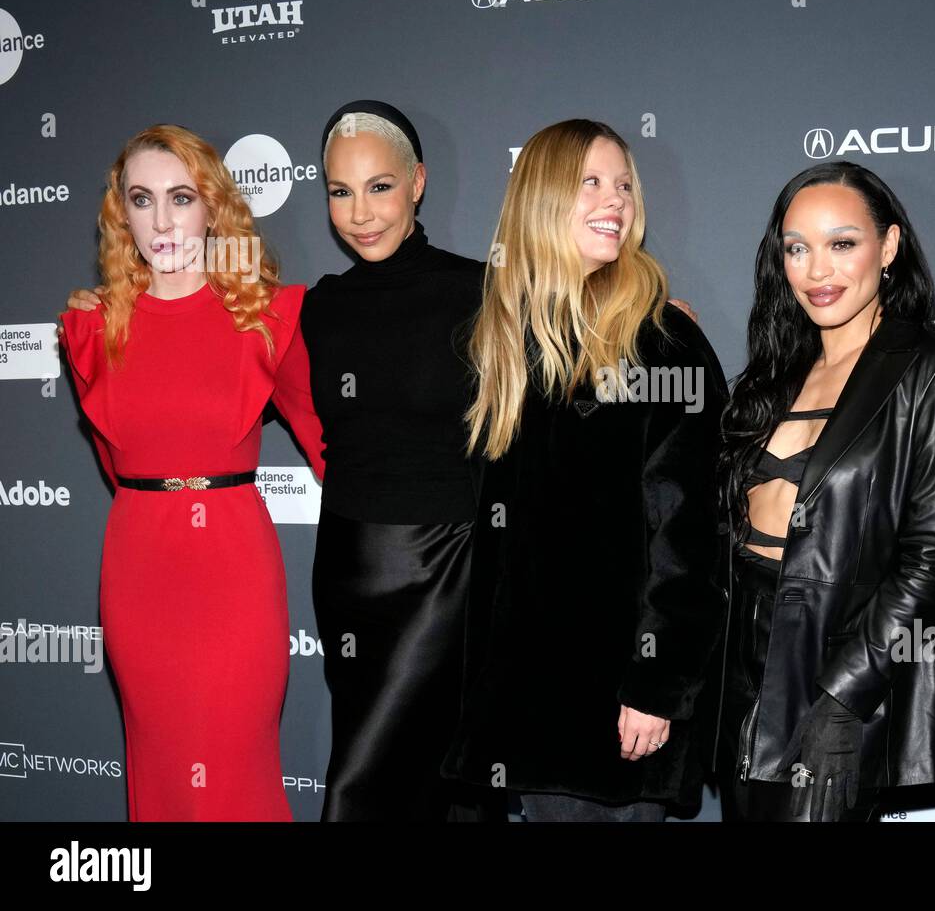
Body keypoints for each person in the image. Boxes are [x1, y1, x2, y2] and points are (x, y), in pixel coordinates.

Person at [442, 119, 727, 821]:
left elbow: (691, 529)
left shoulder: (661, 341)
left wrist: (659, 686)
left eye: (624, 184)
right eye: (590, 183)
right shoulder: (509, 342)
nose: (615, 200)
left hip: (620, 710)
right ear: (540, 199)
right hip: (530, 712)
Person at [58, 124, 325, 821]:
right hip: (140, 575)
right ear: (122, 214)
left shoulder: (268, 316)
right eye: (141, 200)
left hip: (234, 573)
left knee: (238, 768)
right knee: (163, 770)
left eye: (181, 197)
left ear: (213, 207)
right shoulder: (90, 328)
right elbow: (120, 472)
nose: (163, 220)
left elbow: (330, 446)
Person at [711, 161, 935, 822]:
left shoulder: (933, 371)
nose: (816, 270)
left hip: (837, 666)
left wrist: (844, 697)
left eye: (842, 243)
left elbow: (930, 557)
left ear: (888, 247)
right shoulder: (774, 372)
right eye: (797, 248)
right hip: (741, 670)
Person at [303, 101, 490, 821]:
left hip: (445, 567)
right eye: (340, 191)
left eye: (379, 187)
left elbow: (579, 348)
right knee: (395, 765)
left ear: (417, 182)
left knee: (367, 783)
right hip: (347, 565)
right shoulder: (320, 307)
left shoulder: (481, 292)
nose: (360, 212)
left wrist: (657, 318)